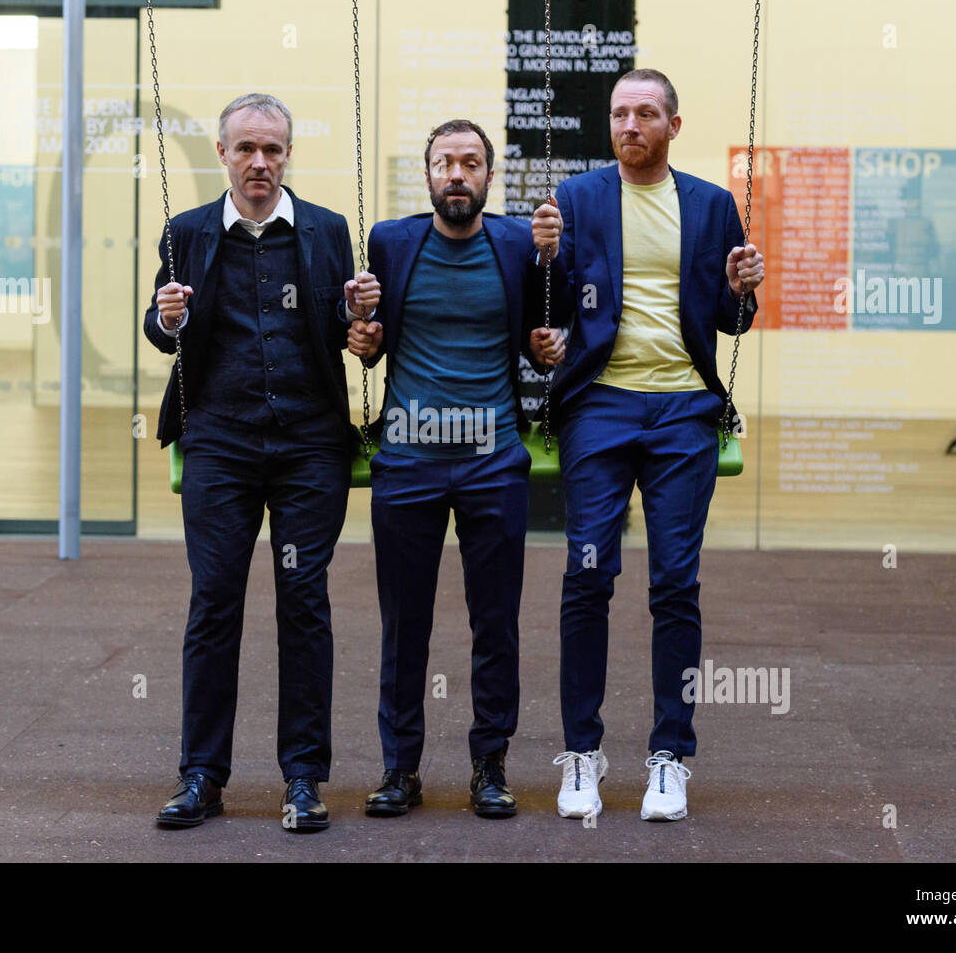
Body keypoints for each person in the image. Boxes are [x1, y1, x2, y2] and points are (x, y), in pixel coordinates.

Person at [144, 93, 380, 833]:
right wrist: (166, 317)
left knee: (303, 601)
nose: (259, 163)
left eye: (273, 150)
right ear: (222, 154)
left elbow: (350, 332)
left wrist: (364, 326)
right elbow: (160, 327)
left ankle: (304, 777)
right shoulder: (186, 233)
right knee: (214, 599)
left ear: (287, 156)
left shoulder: (326, 231)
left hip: (310, 443)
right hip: (220, 439)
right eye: (246, 148)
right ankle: (202, 775)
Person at [547, 70, 765, 821]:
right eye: (619, 114)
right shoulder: (577, 199)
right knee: (587, 576)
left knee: (675, 582)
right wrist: (545, 262)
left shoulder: (710, 205)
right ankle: (582, 752)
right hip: (600, 406)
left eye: (646, 113)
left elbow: (733, 321)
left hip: (682, 411)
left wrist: (743, 287)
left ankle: (670, 757)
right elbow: (550, 303)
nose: (630, 124)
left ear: (674, 125)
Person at [347, 119, 564, 819]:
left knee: (495, 621)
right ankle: (399, 769)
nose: (457, 175)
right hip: (407, 459)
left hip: (493, 459)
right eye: (446, 163)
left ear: (489, 177)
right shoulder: (391, 240)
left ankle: (489, 766)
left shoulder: (516, 245)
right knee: (403, 622)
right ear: (429, 173)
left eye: (471, 163)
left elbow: (539, 338)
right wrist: (365, 341)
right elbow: (372, 339)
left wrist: (548, 346)